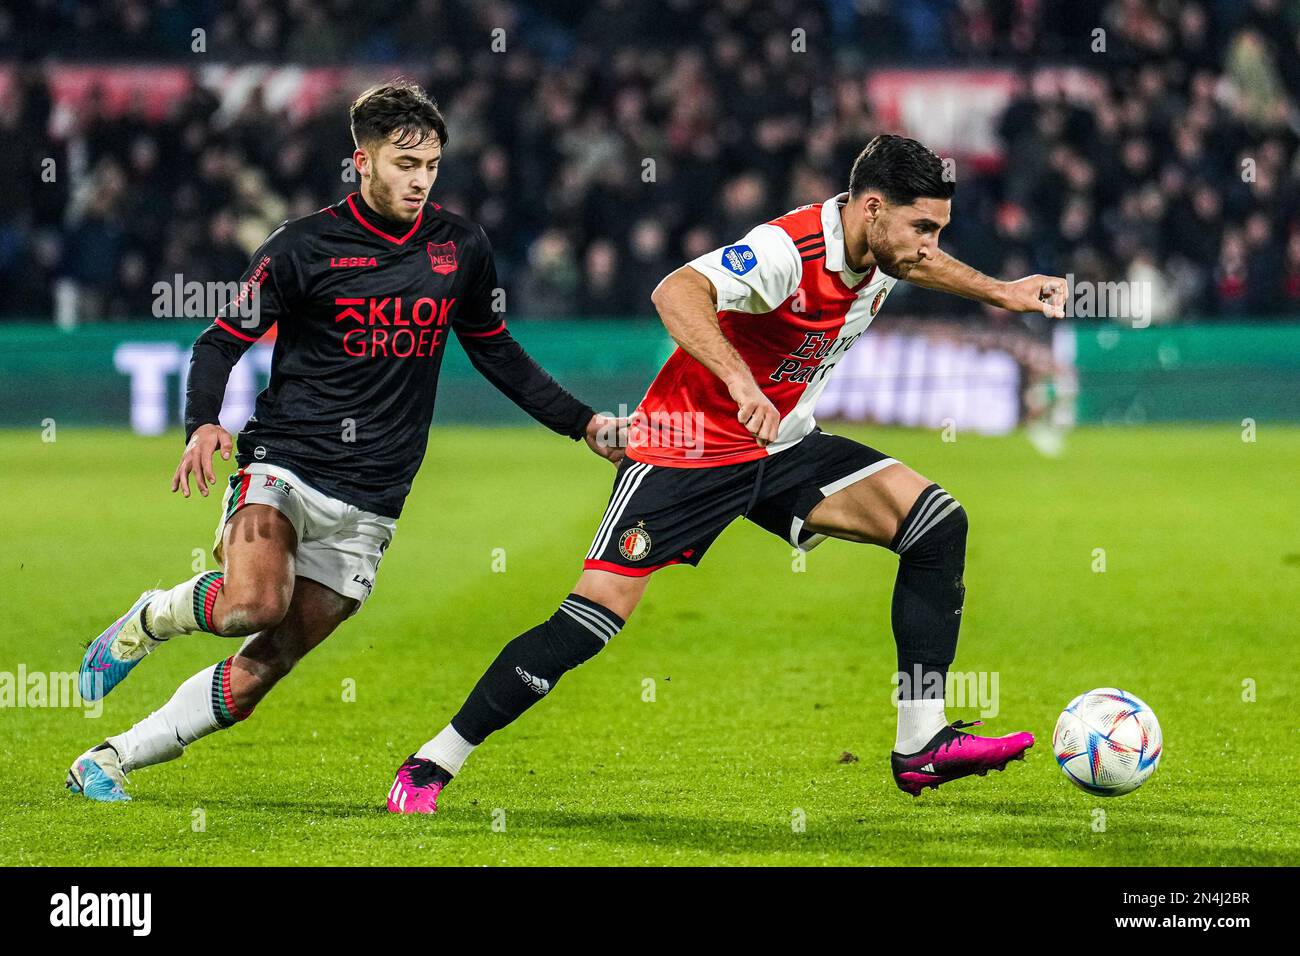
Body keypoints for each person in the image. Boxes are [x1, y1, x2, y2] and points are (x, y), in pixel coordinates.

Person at [389, 135, 1067, 812]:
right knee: (589, 620)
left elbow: (915, 266)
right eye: (923, 227)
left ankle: (920, 744)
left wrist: (1003, 293)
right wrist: (742, 382)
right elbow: (676, 290)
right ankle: (433, 762)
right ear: (870, 209)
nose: (930, 244)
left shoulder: (884, 245)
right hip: (689, 448)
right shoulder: (787, 252)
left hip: (781, 446)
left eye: (938, 231)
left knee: (936, 524)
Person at [68, 81, 620, 803]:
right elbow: (218, 341)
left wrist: (583, 422)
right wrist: (203, 421)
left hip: (376, 495)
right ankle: (149, 619)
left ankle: (108, 760)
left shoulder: (461, 248)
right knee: (254, 603)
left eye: (430, 166)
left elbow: (497, 352)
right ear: (361, 161)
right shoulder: (301, 247)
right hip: (286, 465)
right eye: (403, 164)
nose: (420, 180)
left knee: (267, 663)